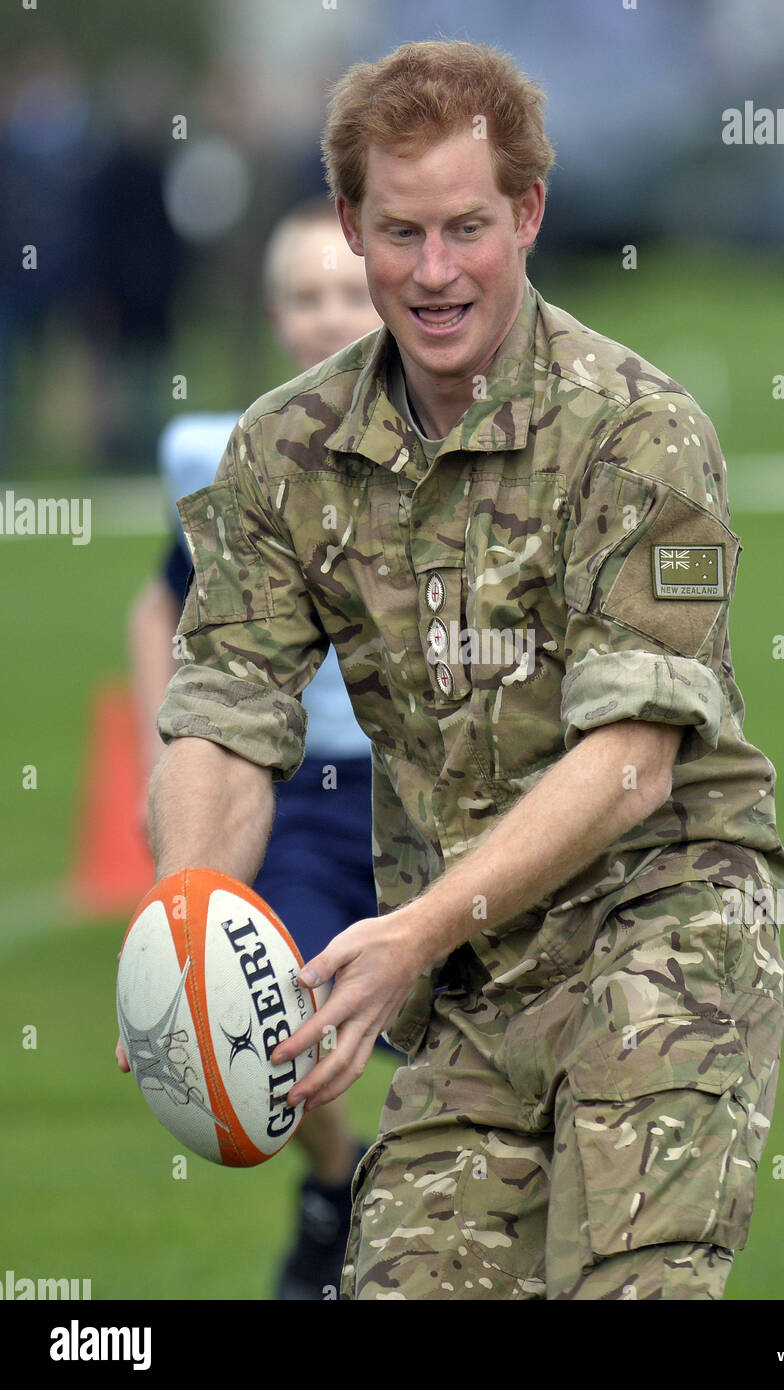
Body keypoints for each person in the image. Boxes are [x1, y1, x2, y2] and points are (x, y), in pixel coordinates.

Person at [135, 38, 784, 1300]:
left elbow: (630, 765)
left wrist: (410, 935)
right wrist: (185, 933)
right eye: (398, 234)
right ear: (348, 224)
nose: (433, 273)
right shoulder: (283, 454)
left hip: (656, 929)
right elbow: (222, 718)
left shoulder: (637, 432)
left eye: (466, 228)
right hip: (466, 979)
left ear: (529, 214)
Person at [125, 198, 387, 1300]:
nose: (328, 314)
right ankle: (335, 1187)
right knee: (266, 1015)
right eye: (304, 294)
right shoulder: (233, 458)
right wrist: (166, 755)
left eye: (347, 290)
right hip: (299, 789)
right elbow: (161, 604)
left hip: (441, 783)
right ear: (275, 313)